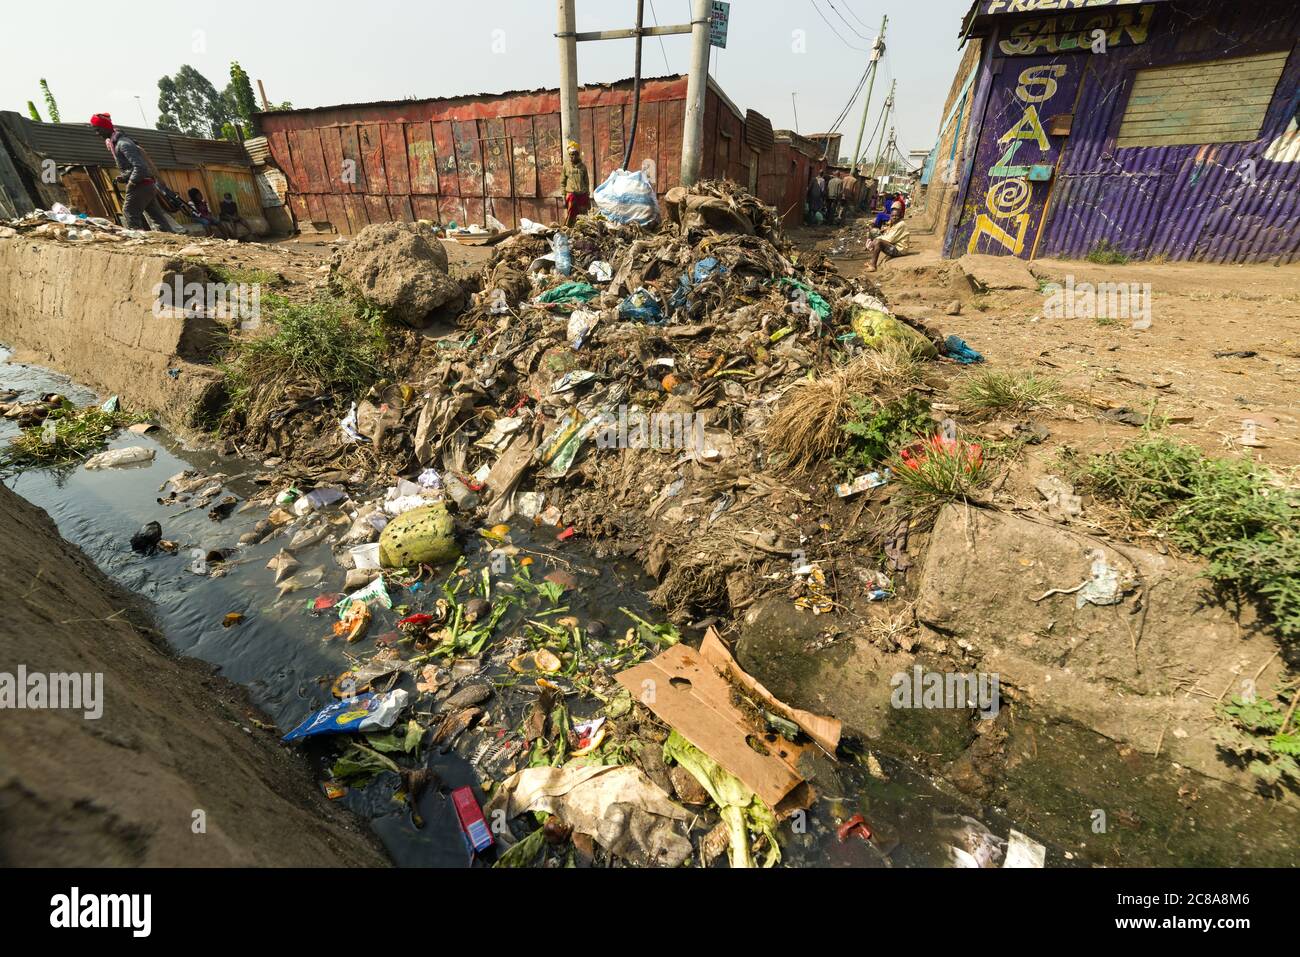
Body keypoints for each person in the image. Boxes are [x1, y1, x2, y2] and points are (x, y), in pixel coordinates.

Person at [90, 112, 174, 232]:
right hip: (147, 185)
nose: (97, 133)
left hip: (141, 184)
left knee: (129, 212)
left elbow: (140, 167)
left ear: (105, 127)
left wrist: (131, 183)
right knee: (157, 217)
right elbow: (133, 167)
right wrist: (124, 177)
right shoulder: (119, 143)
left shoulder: (123, 144)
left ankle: (139, 242)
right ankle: (170, 240)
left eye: (98, 129)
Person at [864, 203, 910, 272]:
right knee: (876, 238)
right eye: (893, 216)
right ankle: (871, 262)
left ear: (900, 215)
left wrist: (876, 240)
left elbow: (890, 239)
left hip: (900, 250)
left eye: (896, 216)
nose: (894, 217)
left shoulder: (901, 224)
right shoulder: (895, 223)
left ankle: (873, 266)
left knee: (879, 242)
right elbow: (888, 234)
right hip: (895, 246)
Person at [562, 140, 590, 227]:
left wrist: (588, 197)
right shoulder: (566, 166)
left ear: (578, 155)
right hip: (571, 195)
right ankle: (569, 232)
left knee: (583, 218)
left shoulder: (583, 167)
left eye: (574, 154)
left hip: (582, 194)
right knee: (571, 216)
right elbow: (562, 183)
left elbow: (587, 182)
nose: (573, 156)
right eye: (571, 154)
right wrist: (563, 198)